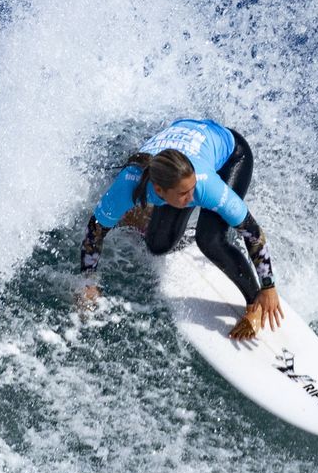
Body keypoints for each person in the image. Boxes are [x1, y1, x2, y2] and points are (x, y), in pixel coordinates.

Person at [78, 118, 283, 340]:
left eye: (192, 190)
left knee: (210, 239)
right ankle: (143, 215)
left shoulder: (204, 185)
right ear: (158, 190)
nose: (194, 198)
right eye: (186, 194)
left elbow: (252, 232)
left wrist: (268, 286)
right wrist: (89, 282)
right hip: (174, 164)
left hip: (231, 156)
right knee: (157, 245)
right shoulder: (127, 186)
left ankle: (253, 303)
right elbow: (94, 232)